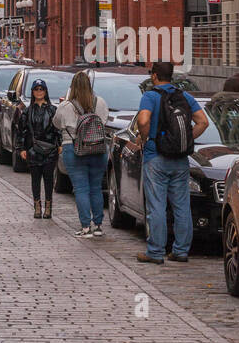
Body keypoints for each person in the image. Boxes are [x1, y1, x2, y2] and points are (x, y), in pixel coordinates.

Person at [129, 61, 208, 265]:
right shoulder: (185, 96)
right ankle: (180, 251)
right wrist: (185, 139)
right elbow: (203, 122)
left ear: (154, 76)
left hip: (156, 157)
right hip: (180, 159)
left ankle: (155, 252)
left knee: (157, 206)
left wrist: (145, 138)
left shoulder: (150, 96)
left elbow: (143, 120)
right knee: (182, 206)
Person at [52, 70, 111, 237]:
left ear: (72, 87)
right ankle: (98, 225)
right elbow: (104, 120)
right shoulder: (100, 102)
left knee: (81, 188)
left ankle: (86, 227)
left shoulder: (66, 106)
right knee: (96, 187)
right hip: (98, 148)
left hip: (73, 148)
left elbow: (56, 123)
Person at [15, 78, 60, 217]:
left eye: (41, 89)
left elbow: (58, 129)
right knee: (35, 179)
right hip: (33, 150)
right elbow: (21, 131)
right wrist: (21, 148)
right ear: (32, 92)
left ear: (45, 91)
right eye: (36, 89)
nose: (39, 92)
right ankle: (37, 207)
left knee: (48, 179)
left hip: (50, 150)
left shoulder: (53, 110)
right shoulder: (27, 111)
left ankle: (48, 207)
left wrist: (59, 144)